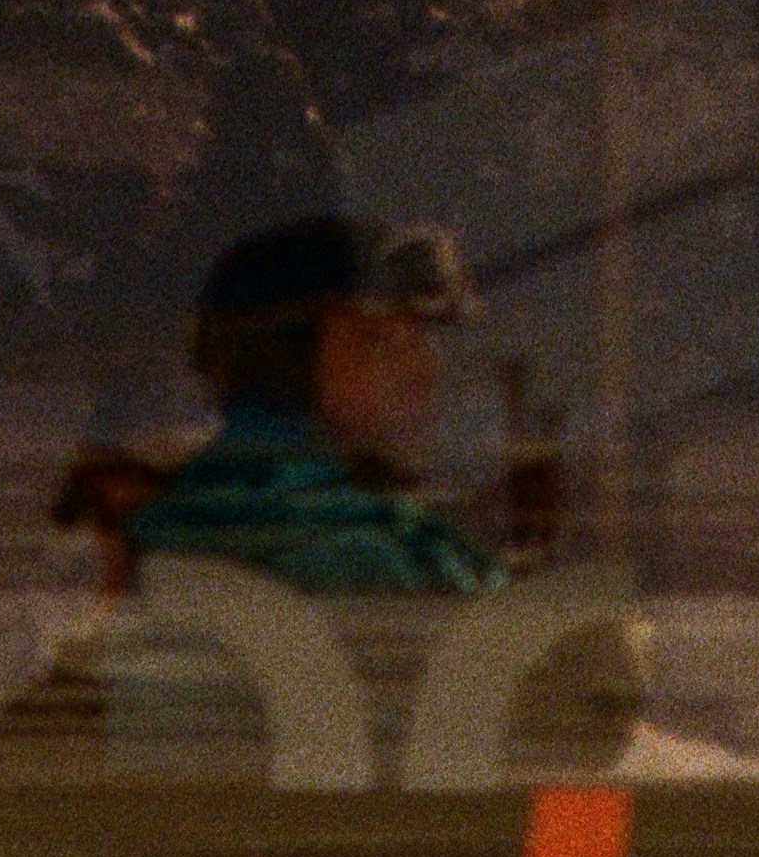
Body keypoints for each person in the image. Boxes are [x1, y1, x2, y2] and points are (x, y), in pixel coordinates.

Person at [122, 211, 493, 604]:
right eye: (378, 344)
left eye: (421, 341)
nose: (422, 373)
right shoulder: (351, 550)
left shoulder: (192, 514)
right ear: (283, 361)